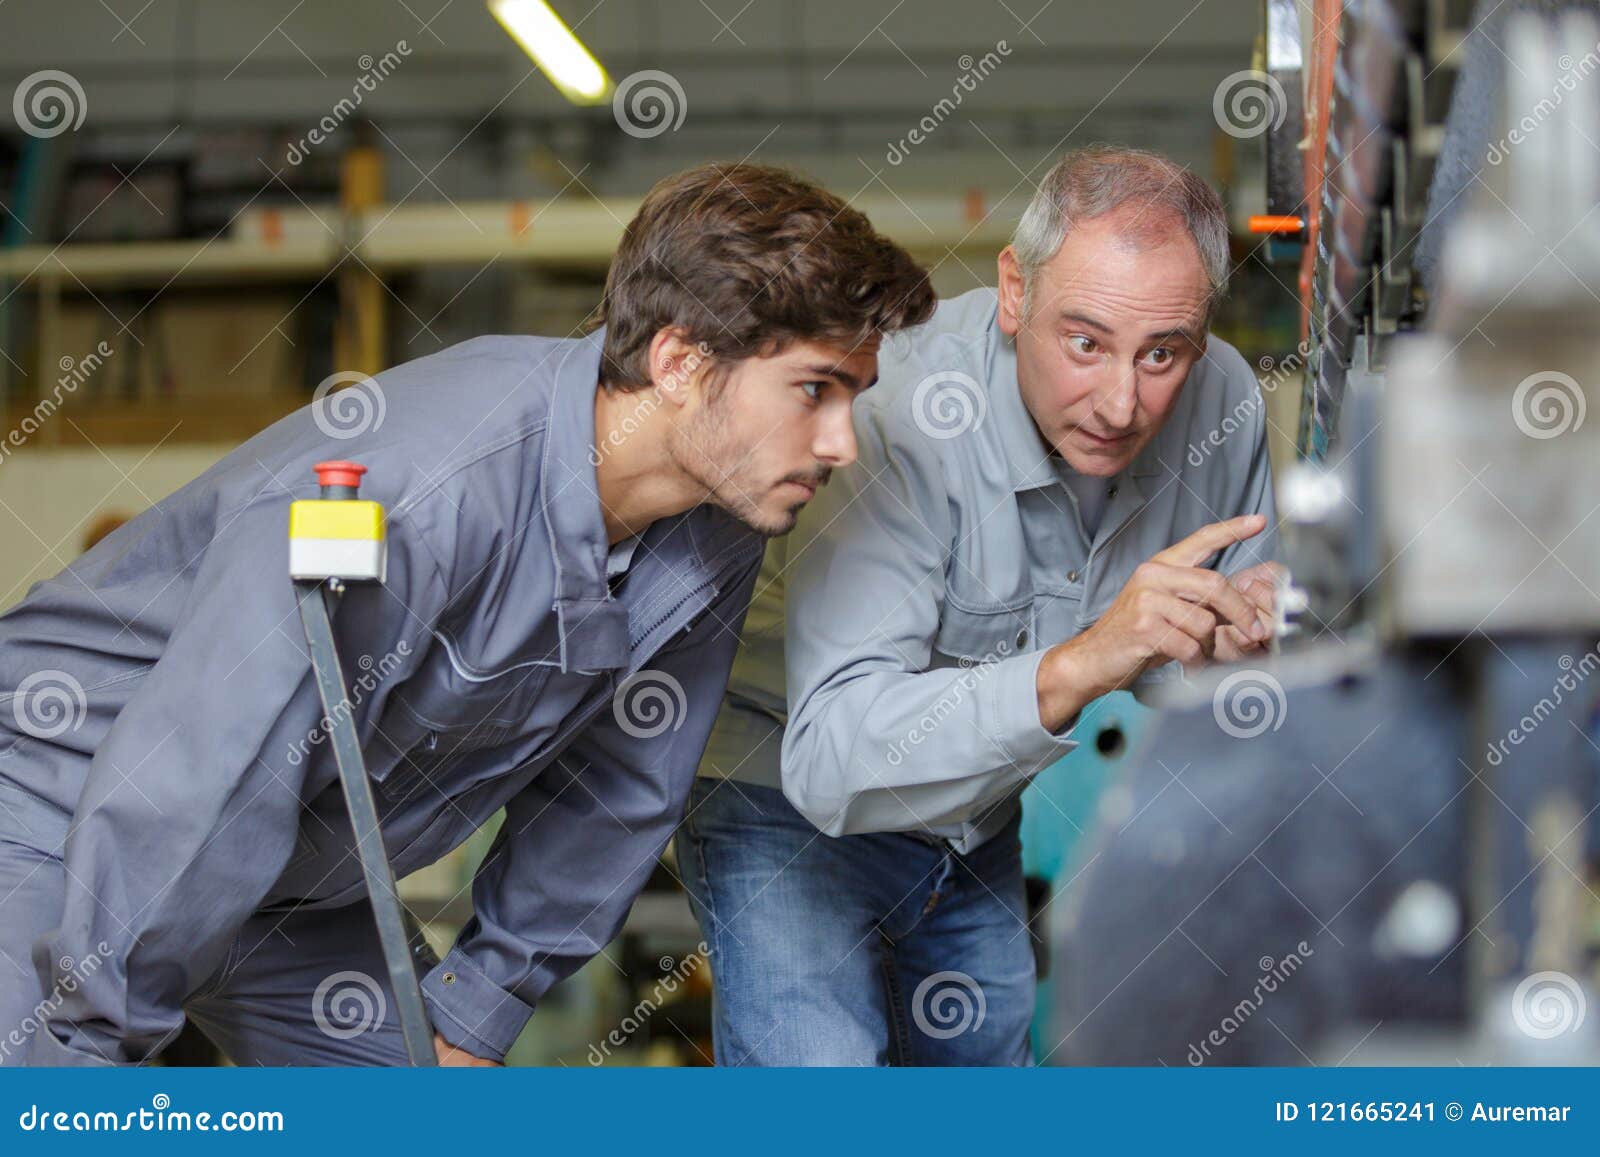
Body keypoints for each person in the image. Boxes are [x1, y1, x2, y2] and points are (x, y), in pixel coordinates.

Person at [0, 161, 934, 1066]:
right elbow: (213, 765)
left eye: (855, 397)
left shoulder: (715, 524)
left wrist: (483, 1003)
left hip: (301, 879)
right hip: (67, 811)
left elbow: (622, 782)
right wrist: (87, 1043)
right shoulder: (425, 487)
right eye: (814, 389)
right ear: (681, 361)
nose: (841, 442)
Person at [676, 145, 1280, 1065]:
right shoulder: (903, 409)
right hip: (780, 798)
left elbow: (1213, 684)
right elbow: (833, 756)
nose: (1121, 402)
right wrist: (1087, 659)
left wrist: (1242, 650)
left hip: (973, 808)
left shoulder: (1224, 399)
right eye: (1084, 342)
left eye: (1162, 352)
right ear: (1013, 291)